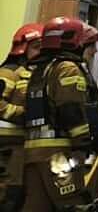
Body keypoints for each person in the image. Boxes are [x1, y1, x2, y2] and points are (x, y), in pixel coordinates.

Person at [21, 17, 98, 212]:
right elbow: (71, 109)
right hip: (59, 154)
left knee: (36, 206)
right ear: (74, 42)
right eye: (89, 45)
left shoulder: (41, 69)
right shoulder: (67, 69)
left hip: (34, 153)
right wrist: (84, 143)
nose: (93, 51)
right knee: (74, 203)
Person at [0, 26, 43, 212]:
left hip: (22, 147)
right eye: (36, 47)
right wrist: (24, 114)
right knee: (7, 196)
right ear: (22, 48)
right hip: (5, 148)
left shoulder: (35, 74)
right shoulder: (8, 73)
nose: (40, 52)